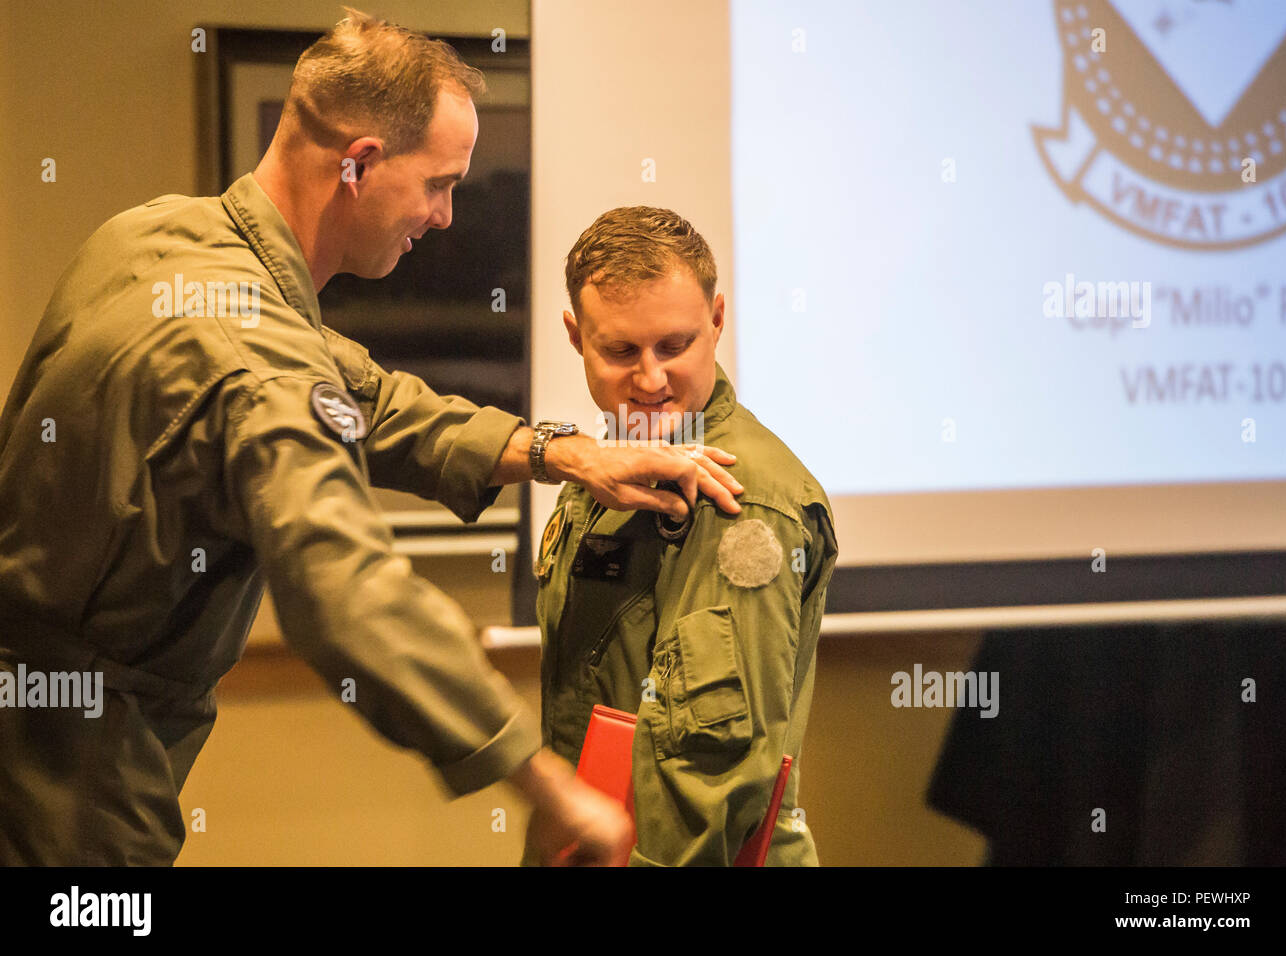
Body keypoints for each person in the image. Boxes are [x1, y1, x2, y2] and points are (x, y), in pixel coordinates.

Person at [0, 10, 742, 866]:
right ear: (357, 164)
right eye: (439, 184)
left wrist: (563, 453)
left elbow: (370, 399)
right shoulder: (255, 358)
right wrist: (544, 782)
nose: (447, 217)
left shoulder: (160, 238)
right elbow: (348, 592)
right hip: (73, 773)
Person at [526, 207, 838, 866]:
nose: (650, 380)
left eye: (675, 346)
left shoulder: (744, 499)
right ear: (575, 336)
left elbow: (711, 777)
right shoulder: (601, 470)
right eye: (620, 351)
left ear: (718, 320)